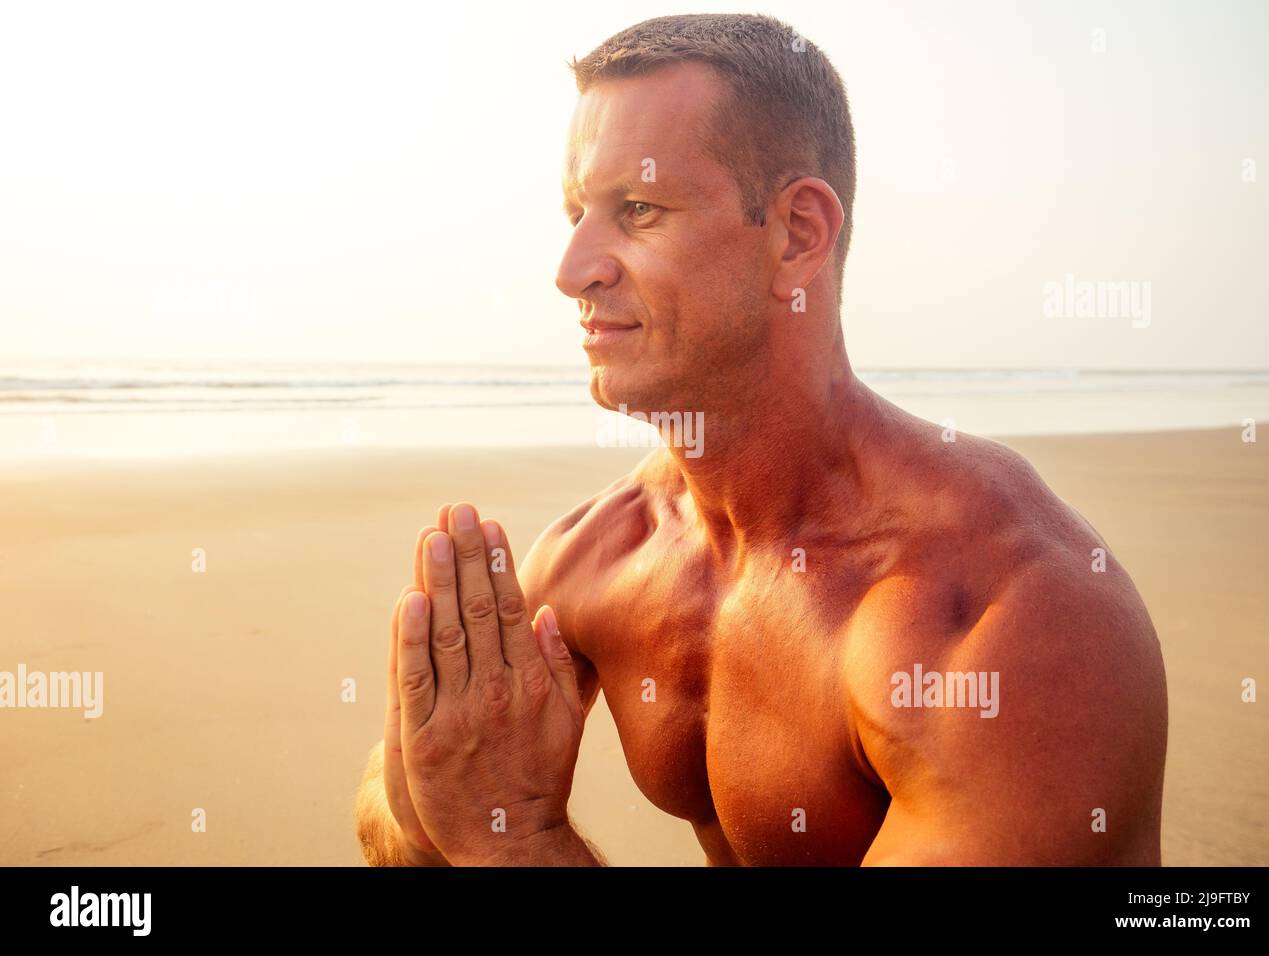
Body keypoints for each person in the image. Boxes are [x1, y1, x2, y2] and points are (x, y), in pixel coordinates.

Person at [355, 13, 1167, 867]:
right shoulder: (605, 552)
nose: (571, 270)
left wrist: (517, 839)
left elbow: (487, 834)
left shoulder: (1009, 623)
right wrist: (431, 786)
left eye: (636, 210)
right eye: (576, 213)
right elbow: (410, 822)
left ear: (797, 235)